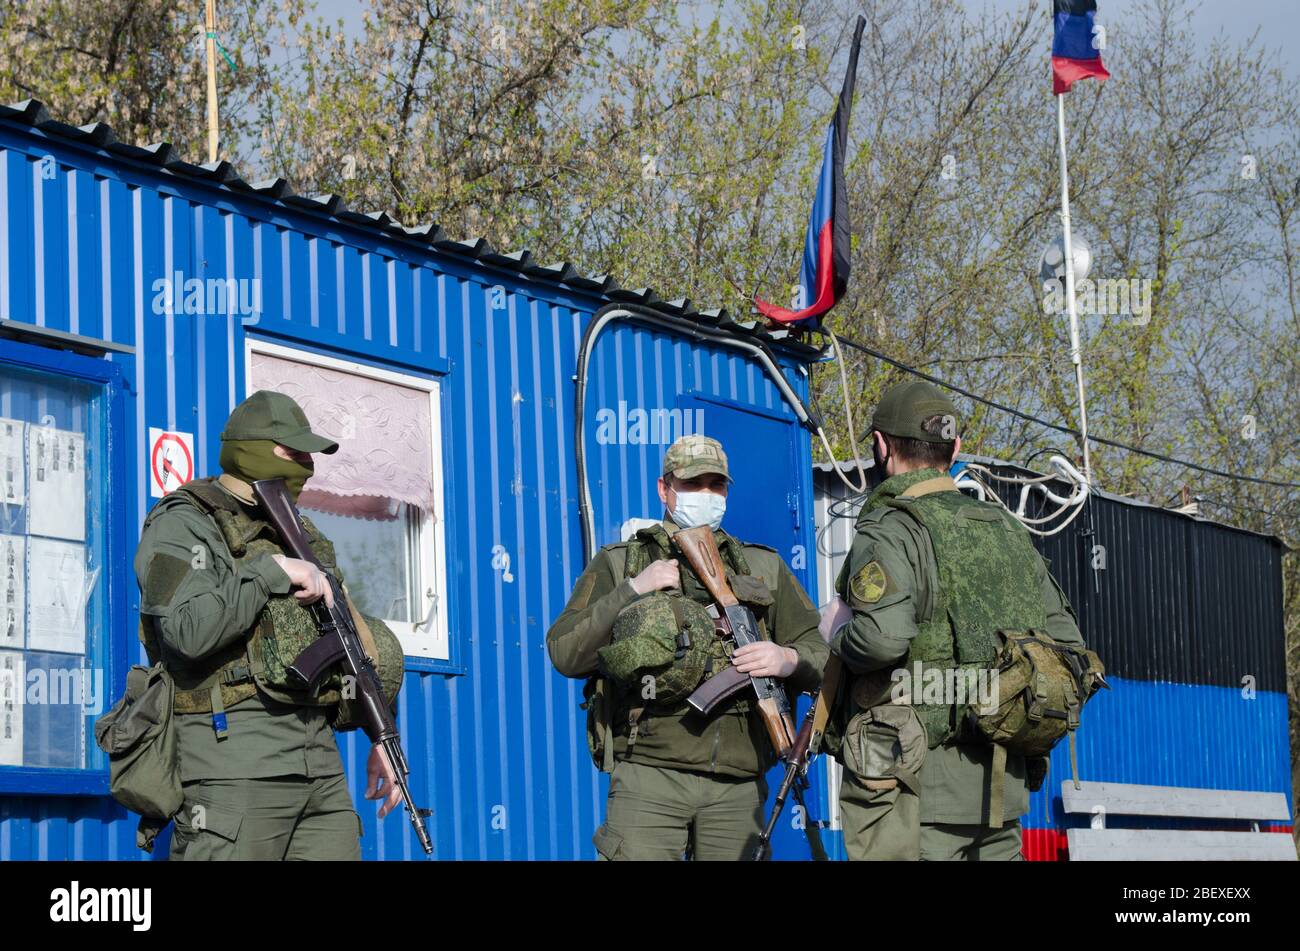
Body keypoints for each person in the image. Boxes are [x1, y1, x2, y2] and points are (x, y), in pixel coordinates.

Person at [134, 390, 402, 860]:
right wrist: (271, 572)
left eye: (308, 453)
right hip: (234, 764)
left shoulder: (302, 531)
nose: (305, 464)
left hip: (320, 768)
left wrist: (381, 735)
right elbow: (185, 631)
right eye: (292, 451)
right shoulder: (186, 521)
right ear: (249, 447)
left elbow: (345, 638)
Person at [826, 380, 1087, 861]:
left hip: (913, 786)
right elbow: (1069, 647)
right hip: (1002, 787)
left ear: (881, 447)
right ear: (956, 449)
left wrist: (837, 634)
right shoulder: (1007, 529)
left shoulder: (891, 527)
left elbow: (883, 641)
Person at [547, 434, 828, 860]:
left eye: (716, 486)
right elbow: (565, 652)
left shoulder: (761, 566)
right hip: (651, 777)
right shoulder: (621, 562)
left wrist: (786, 658)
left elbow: (821, 651)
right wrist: (633, 590)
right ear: (665, 489)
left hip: (738, 782)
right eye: (694, 484)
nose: (707, 495)